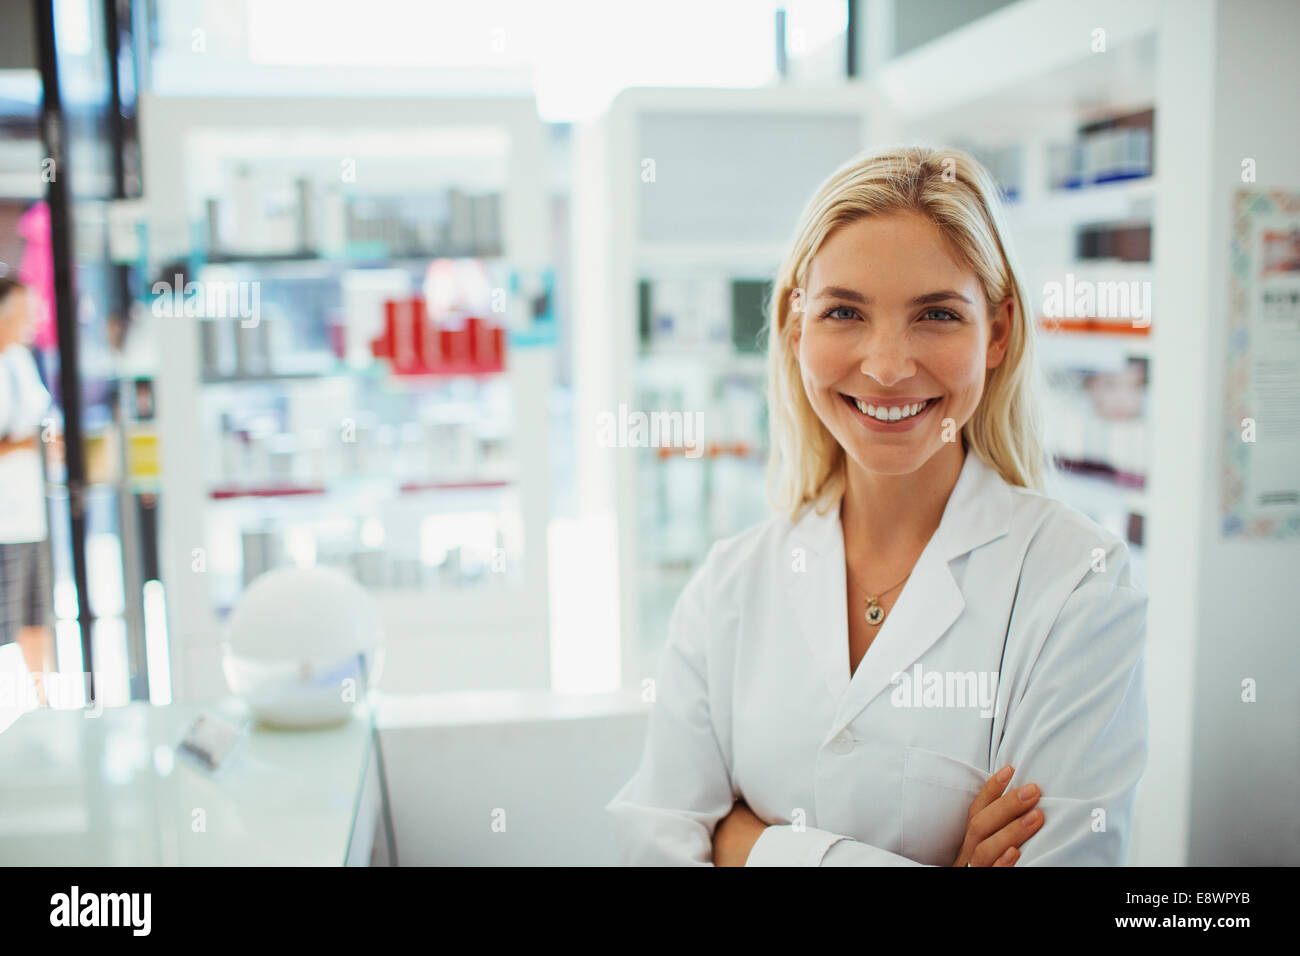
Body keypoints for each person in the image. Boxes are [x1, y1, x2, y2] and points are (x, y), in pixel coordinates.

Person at [605, 147, 1149, 866]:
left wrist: (749, 846)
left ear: (998, 332)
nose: (888, 367)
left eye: (935, 314)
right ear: (798, 330)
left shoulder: (1077, 582)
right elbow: (653, 845)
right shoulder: (729, 587)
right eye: (844, 312)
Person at [0, 277, 56, 705]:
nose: (27, 318)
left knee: (37, 616)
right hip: (4, 519)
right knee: (6, 622)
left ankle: (43, 705)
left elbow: (44, 420)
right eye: (19, 308)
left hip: (32, 512)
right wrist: (27, 441)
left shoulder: (20, 359)